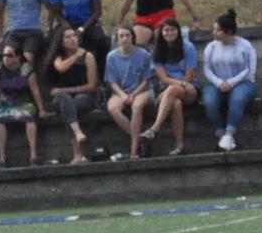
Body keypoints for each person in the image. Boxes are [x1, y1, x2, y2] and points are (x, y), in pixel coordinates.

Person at [0, 43, 44, 168]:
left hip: (23, 101)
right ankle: (2, 157)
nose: (6, 58)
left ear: (18, 57)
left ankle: (33, 155)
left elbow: (35, 91)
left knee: (30, 118)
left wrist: (41, 110)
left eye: (10, 55)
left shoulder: (26, 69)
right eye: (4, 55)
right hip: (5, 102)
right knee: (0, 120)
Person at [200, 9, 257, 151]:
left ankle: (229, 133)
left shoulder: (245, 46)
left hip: (243, 82)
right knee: (209, 101)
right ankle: (221, 134)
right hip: (217, 83)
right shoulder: (211, 47)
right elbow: (207, 69)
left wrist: (231, 82)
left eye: (218, 30)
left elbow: (249, 69)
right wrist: (219, 83)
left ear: (229, 32)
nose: (214, 33)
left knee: (237, 99)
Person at [46, 24, 101, 165]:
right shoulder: (59, 58)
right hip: (63, 98)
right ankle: (78, 134)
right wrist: (76, 55)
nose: (72, 39)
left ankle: (77, 154)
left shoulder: (88, 56)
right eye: (68, 37)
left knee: (69, 106)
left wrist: (66, 90)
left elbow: (92, 86)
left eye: (74, 36)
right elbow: (61, 68)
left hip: (85, 96)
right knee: (65, 101)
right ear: (61, 42)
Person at [144, 17, 199, 156]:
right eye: (166, 30)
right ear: (161, 33)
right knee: (176, 104)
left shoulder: (188, 47)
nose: (169, 33)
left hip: (190, 89)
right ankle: (179, 145)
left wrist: (184, 84)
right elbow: (163, 77)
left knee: (173, 90)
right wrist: (174, 87)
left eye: (173, 30)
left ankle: (155, 128)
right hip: (169, 89)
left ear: (178, 32)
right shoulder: (156, 51)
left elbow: (189, 75)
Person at [102, 23, 156, 160]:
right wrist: (123, 95)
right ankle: (140, 138)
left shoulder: (144, 54)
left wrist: (133, 94)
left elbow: (146, 80)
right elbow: (112, 81)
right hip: (121, 91)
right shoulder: (111, 57)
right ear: (117, 39)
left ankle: (134, 150)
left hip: (142, 90)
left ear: (133, 37)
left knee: (137, 106)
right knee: (113, 108)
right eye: (121, 36)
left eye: (127, 35)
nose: (125, 38)